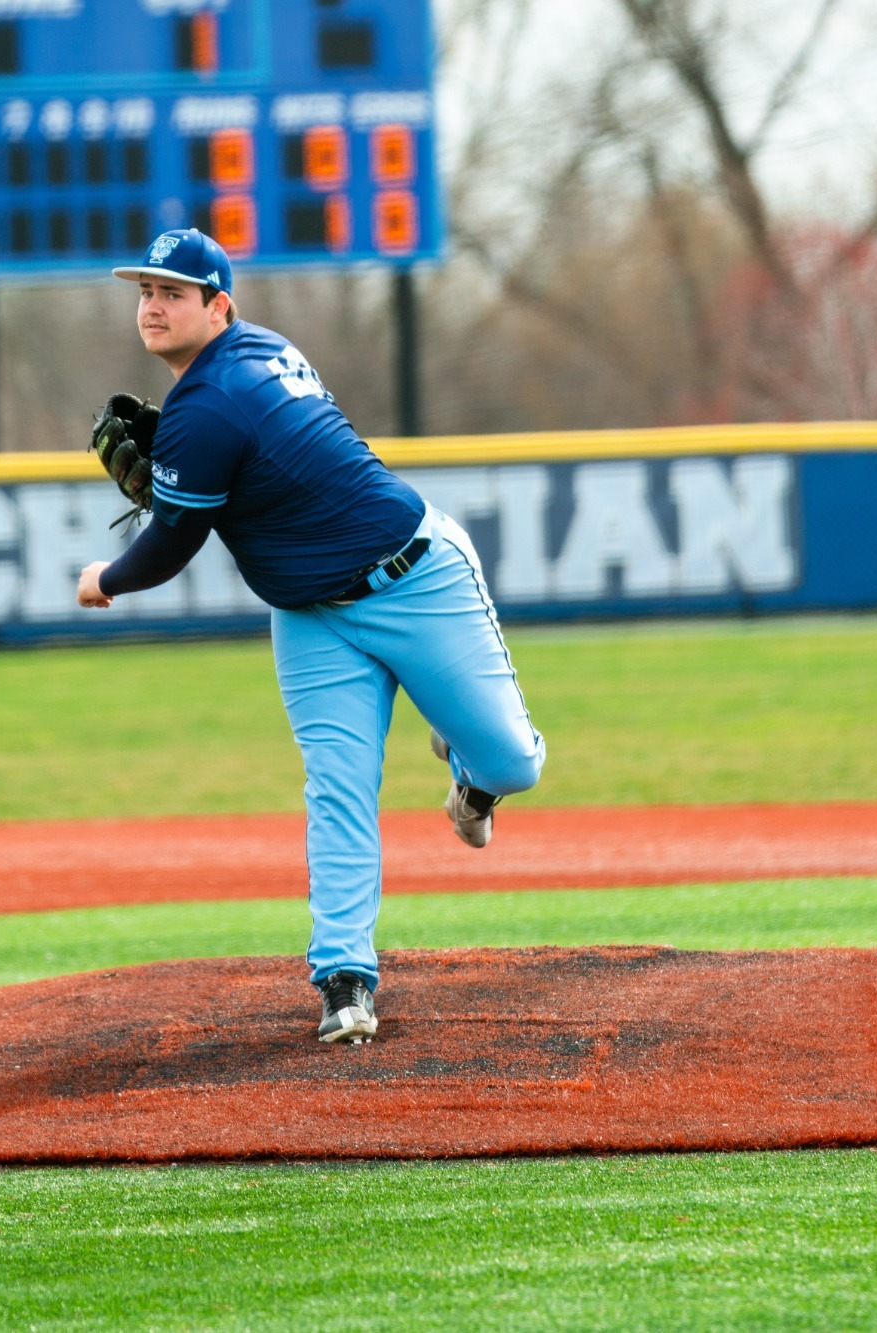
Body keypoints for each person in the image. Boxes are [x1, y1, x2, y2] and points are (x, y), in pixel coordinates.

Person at [76, 229, 544, 1044]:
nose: (151, 306)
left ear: (218, 305)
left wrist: (105, 578)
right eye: (145, 291)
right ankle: (344, 978)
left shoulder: (208, 406)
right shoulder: (254, 354)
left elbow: (172, 545)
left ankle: (469, 773)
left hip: (416, 577)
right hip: (311, 615)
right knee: (337, 786)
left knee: (513, 762)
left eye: (172, 293)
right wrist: (188, 475)